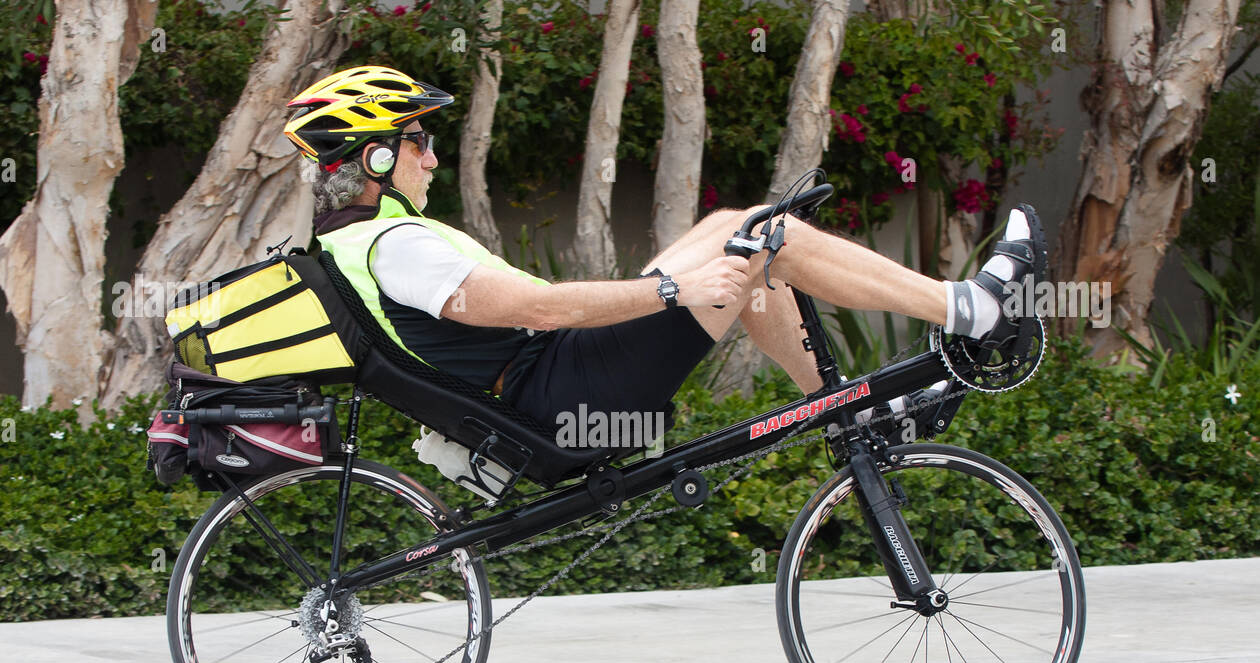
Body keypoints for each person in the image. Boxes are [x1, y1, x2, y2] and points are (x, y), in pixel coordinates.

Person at [284, 66, 1043, 434]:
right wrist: (679, 290)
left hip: (560, 373)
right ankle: (969, 308)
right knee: (767, 243)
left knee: (738, 226)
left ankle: (852, 410)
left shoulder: (365, 242)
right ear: (375, 157)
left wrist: (695, 279)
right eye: (418, 142)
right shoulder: (395, 248)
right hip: (564, 390)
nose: (431, 158)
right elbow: (541, 307)